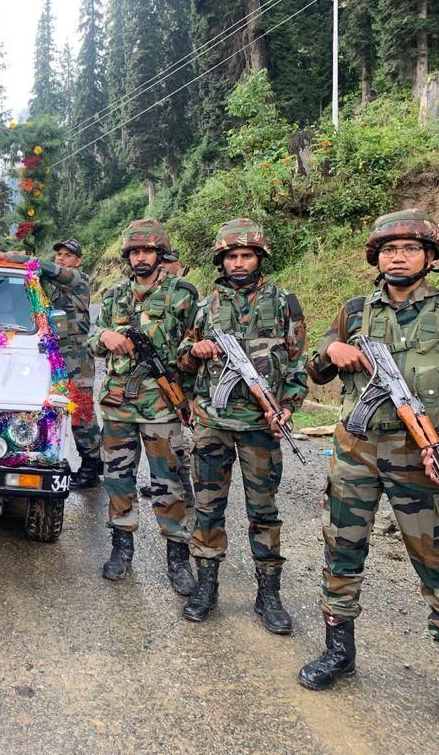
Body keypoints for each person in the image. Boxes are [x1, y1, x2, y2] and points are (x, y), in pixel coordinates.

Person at [297, 209, 439, 742]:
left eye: (410, 248)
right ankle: (338, 651)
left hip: (419, 456)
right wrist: (331, 349)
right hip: (355, 451)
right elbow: (315, 369)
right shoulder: (355, 311)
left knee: (438, 563)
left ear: (429, 256)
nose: (399, 257)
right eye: (389, 249)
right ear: (377, 257)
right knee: (341, 548)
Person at [177, 217, 307, 633]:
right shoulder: (205, 307)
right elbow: (182, 361)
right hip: (212, 423)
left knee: (264, 510)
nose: (238, 263)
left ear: (259, 257)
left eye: (246, 255)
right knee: (208, 507)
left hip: (260, 425)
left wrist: (288, 407)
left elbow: (297, 361)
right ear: (221, 260)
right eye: (231, 256)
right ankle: (207, 585)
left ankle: (268, 594)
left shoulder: (284, 302)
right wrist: (195, 350)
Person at [86, 220, 197, 593]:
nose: (140, 257)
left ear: (159, 253)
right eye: (134, 252)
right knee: (118, 479)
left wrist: (190, 396)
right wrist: (105, 335)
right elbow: (92, 338)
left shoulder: (182, 295)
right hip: (118, 405)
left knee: (169, 483)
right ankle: (122, 548)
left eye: (147, 251)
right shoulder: (114, 296)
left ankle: (178, 557)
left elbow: (195, 346)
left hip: (162, 406)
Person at [0, 238, 103, 488]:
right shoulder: (55, 287)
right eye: (59, 254)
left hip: (76, 356)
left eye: (68, 255)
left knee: (80, 411)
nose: (62, 258)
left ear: (79, 261)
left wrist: (10, 257)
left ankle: (91, 467)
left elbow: (45, 267)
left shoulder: (77, 279)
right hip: (55, 354)